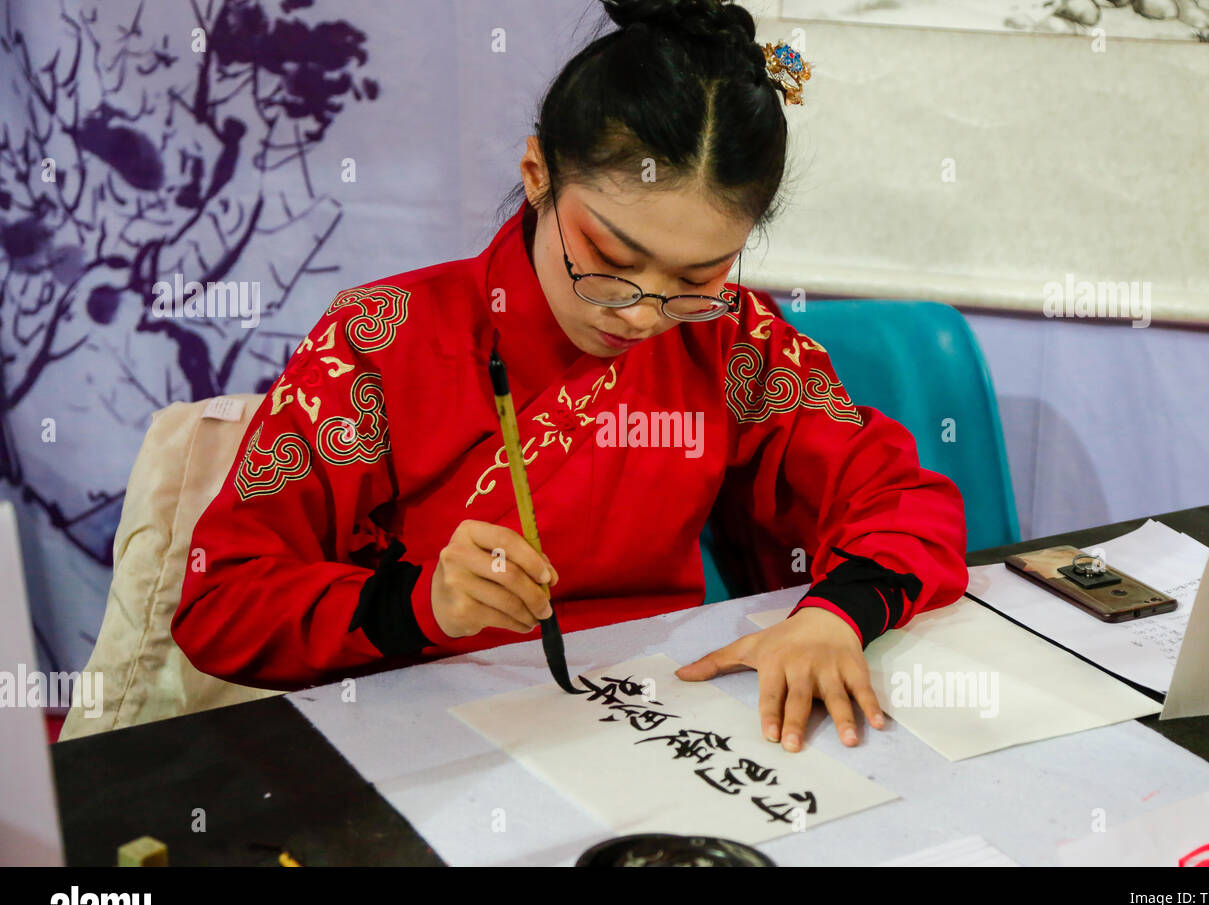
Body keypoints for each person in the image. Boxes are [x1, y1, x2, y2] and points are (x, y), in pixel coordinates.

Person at [172, 0, 968, 754]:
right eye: (611, 263)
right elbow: (223, 603)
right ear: (536, 174)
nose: (642, 315)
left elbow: (901, 500)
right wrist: (419, 603)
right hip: (425, 736)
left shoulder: (732, 341)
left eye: (696, 277)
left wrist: (836, 615)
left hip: (657, 715)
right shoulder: (380, 342)